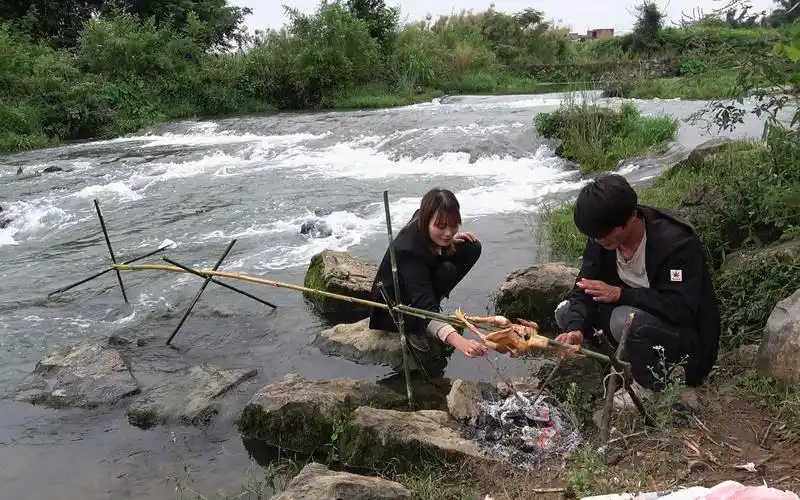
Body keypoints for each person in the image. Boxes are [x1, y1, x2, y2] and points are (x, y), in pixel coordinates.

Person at [553, 173, 721, 409]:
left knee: (625, 320)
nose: (599, 241)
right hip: (639, 320)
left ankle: (652, 384)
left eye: (605, 234)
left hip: (684, 337)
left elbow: (682, 309)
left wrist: (621, 294)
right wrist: (575, 331)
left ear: (630, 218)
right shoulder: (602, 239)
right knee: (567, 312)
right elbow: (583, 289)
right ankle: (619, 366)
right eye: (594, 236)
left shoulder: (675, 243)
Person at [368, 188, 488, 359]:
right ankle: (418, 327)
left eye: (453, 225)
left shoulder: (422, 216)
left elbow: (437, 237)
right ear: (426, 221)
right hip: (393, 309)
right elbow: (423, 304)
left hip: (417, 282)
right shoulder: (408, 251)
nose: (448, 232)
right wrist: (461, 342)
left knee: (471, 247)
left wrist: (448, 240)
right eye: (441, 226)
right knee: (443, 275)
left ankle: (432, 309)